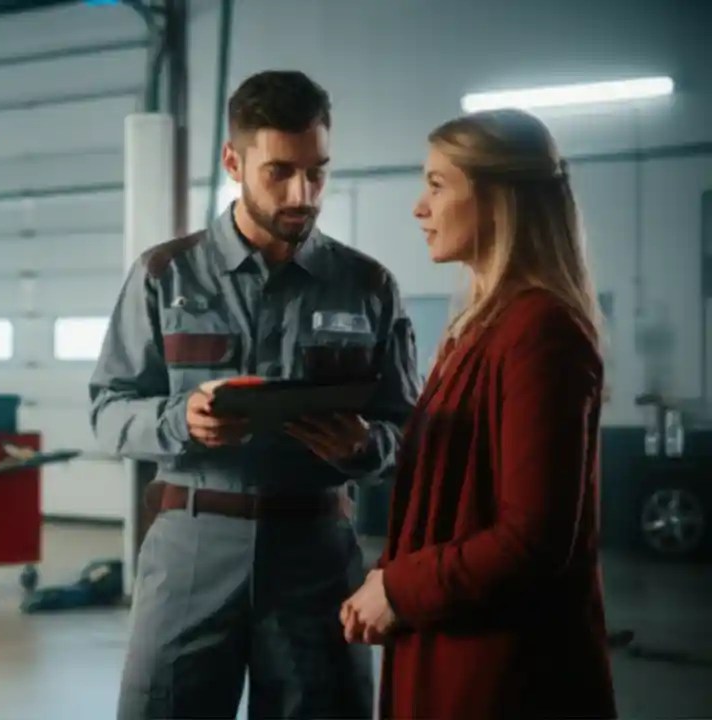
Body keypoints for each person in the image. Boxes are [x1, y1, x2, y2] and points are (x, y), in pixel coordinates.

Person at [90, 70, 420, 720]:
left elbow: (408, 431)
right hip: (191, 547)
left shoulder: (367, 286)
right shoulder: (165, 276)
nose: (303, 194)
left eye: (317, 172)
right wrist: (179, 418)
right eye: (280, 172)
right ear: (234, 162)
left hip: (316, 553)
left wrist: (364, 445)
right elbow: (108, 411)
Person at [339, 108, 618, 719]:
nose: (419, 207)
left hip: (504, 678)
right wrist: (387, 580)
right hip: (453, 651)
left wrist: (400, 587)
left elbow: (532, 540)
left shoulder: (540, 331)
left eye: (437, 186)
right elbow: (452, 505)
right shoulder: (478, 328)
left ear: (498, 199)